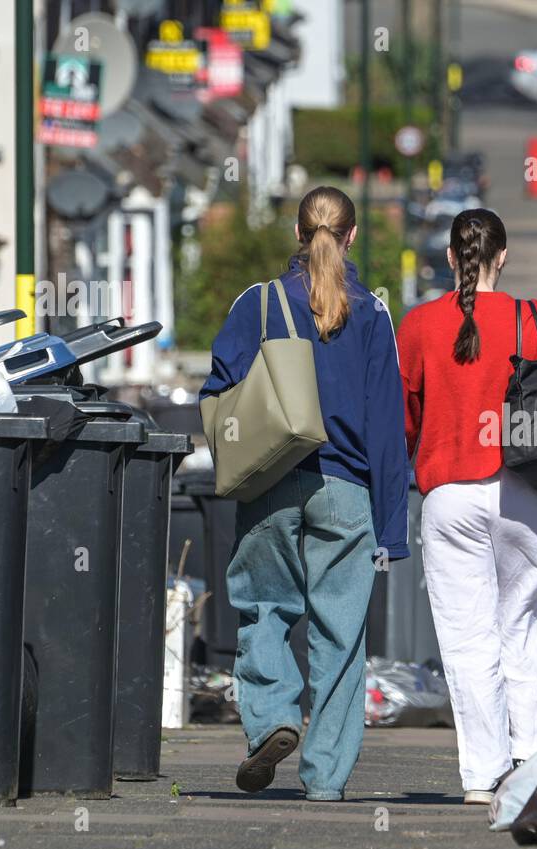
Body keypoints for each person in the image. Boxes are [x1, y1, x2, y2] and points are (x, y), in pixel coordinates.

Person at [200, 186, 409, 800]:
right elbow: (387, 429)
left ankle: (272, 719)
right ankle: (325, 779)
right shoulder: (372, 312)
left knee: (265, 607)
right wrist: (391, 531)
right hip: (347, 491)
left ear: (297, 234)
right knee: (341, 636)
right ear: (350, 238)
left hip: (270, 479)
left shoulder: (256, 305)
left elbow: (219, 389)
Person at [396, 208, 537, 804]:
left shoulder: (420, 325)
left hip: (449, 495)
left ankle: (482, 777)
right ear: (500, 258)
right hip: (521, 491)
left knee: (467, 642)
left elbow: (402, 413)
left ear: (453, 257)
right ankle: (532, 762)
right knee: (524, 630)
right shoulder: (532, 319)